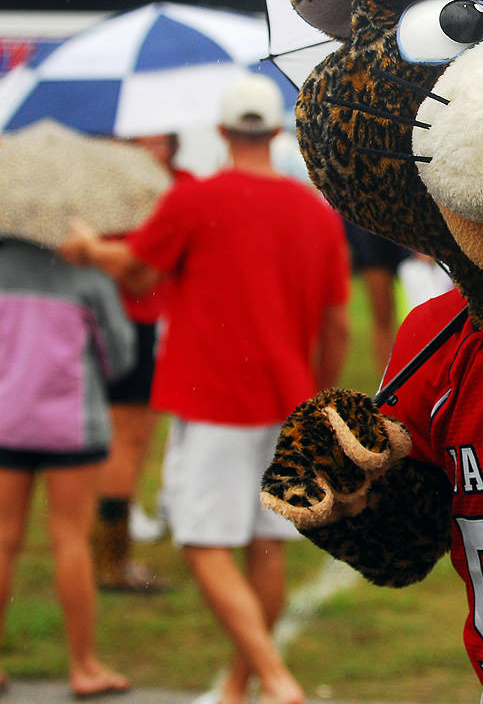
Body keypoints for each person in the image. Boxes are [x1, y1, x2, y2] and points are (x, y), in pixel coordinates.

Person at [60, 73, 351, 704]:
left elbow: (139, 270)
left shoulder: (197, 198)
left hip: (211, 395)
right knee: (265, 548)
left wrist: (90, 250)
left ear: (221, 132)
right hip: (288, 398)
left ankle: (273, 678)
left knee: (203, 542)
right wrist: (318, 398)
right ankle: (240, 688)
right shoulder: (315, 211)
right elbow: (336, 323)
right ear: (275, 132)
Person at [0, 236, 135, 698]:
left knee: (2, 541)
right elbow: (119, 356)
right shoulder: (86, 274)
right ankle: (83, 665)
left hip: (5, 422)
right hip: (71, 425)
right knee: (70, 539)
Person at [93, 133, 191, 594]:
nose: (151, 150)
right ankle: (111, 561)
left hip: (118, 320)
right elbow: (142, 275)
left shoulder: (175, 184)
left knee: (118, 443)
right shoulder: (157, 186)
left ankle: (105, 553)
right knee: (126, 444)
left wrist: (99, 254)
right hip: (135, 323)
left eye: (158, 142)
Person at [342, 219, 409, 372]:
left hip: (408, 217)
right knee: (383, 315)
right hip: (368, 225)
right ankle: (391, 383)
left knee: (429, 307)